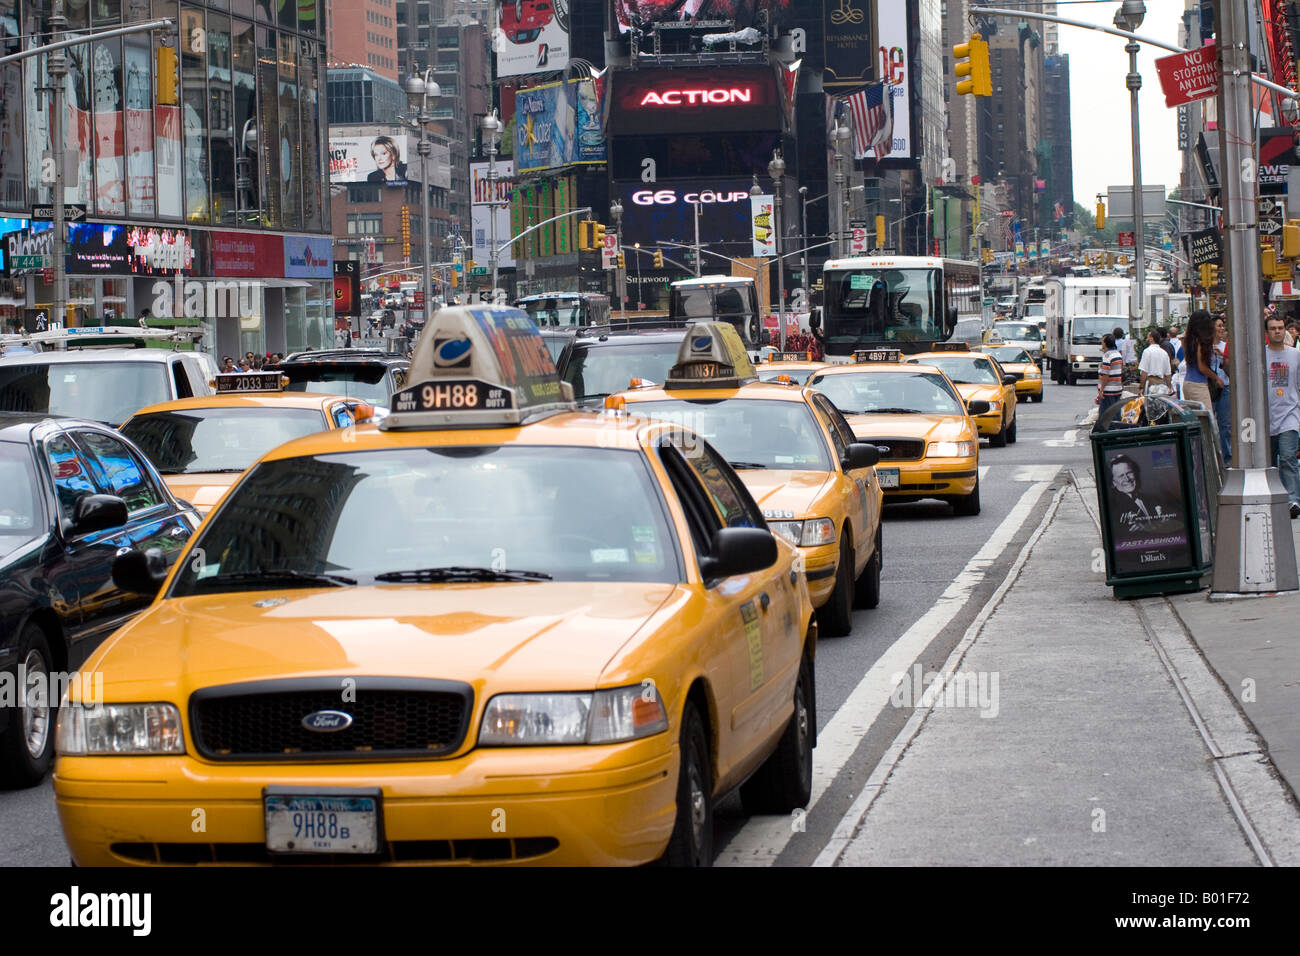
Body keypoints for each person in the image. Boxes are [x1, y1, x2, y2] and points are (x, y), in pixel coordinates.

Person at [1265, 313, 1300, 518]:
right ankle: (1274, 497)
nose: (1277, 331)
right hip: (1266, 418)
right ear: (1267, 332)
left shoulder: (1295, 355)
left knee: (1287, 457)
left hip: (1290, 415)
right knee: (1269, 463)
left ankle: (1293, 500)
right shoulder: (1261, 355)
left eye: (1280, 328)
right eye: (1273, 328)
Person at [1212, 315, 1231, 465]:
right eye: (1218, 325)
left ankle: (1227, 457)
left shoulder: (1226, 346)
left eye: (1222, 325)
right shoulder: (1204, 346)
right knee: (1211, 423)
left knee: (1225, 425)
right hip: (1210, 387)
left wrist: (1222, 355)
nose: (1221, 328)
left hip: (1225, 386)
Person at [1098, 333, 1124, 415]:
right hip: (1117, 389)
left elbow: (1105, 374)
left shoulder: (1107, 355)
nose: (1101, 344)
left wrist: (1101, 390)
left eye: (1102, 342)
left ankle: (1109, 428)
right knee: (1116, 413)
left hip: (1109, 390)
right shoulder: (1118, 354)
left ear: (1106, 343)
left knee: (1106, 415)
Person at [1139, 328, 1171, 395]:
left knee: (1148, 403)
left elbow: (1144, 372)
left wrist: (1141, 387)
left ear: (1151, 338)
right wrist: (1169, 387)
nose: (1147, 339)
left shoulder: (1147, 351)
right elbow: (1168, 373)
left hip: (1150, 382)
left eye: (1148, 337)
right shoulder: (1164, 353)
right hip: (1161, 383)